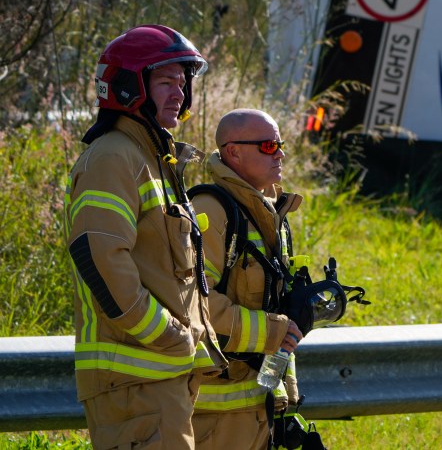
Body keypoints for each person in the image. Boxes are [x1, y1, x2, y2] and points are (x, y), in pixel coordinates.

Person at [66, 24, 228, 449]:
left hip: (161, 382)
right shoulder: (113, 156)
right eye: (165, 81)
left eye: (183, 81)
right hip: (136, 385)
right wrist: (169, 335)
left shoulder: (152, 158)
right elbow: (99, 258)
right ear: (127, 87)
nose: (180, 93)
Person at [189, 109, 306, 449]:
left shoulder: (269, 214)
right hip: (214, 417)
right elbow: (196, 303)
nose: (280, 153)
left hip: (259, 408)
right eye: (269, 145)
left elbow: (273, 307)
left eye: (280, 144)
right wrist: (274, 331)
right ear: (234, 152)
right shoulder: (210, 211)